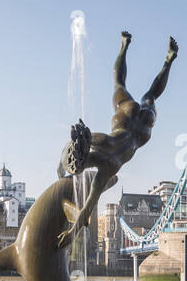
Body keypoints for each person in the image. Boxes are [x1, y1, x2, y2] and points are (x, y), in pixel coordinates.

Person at [56, 31, 178, 247]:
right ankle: (128, 47)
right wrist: (62, 165)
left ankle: (166, 60)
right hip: (125, 120)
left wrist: (72, 233)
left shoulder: (107, 170)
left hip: (140, 130)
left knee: (148, 95)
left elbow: (87, 208)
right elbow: (76, 143)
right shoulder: (101, 147)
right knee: (122, 85)